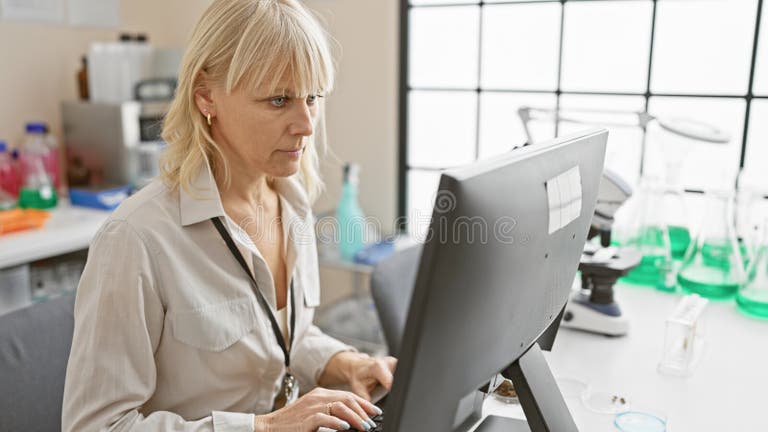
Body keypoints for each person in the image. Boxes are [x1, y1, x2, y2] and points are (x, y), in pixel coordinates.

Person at [61, 1, 396, 431]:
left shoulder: (292, 202)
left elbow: (276, 339)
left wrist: (345, 363)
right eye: (279, 100)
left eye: (312, 98)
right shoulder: (136, 238)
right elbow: (94, 426)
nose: (307, 125)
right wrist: (264, 428)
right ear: (206, 96)